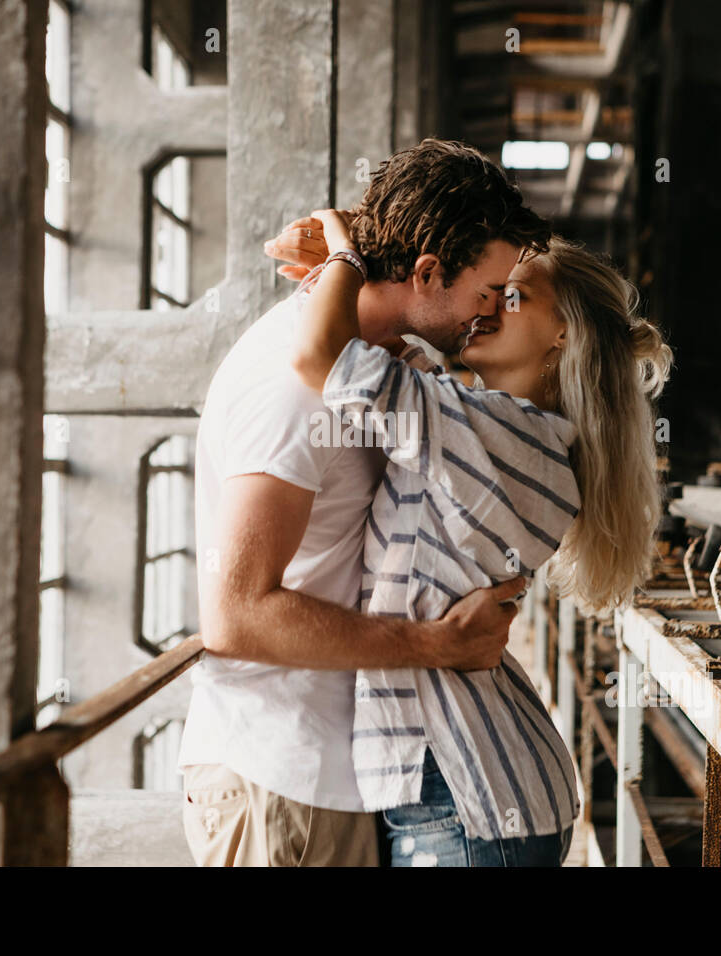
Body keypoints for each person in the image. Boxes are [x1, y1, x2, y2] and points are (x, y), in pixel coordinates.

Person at [177, 139, 552, 866]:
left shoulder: (378, 362)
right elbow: (236, 615)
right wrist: (439, 646)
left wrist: (350, 241)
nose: (492, 311)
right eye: (488, 291)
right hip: (280, 782)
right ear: (427, 273)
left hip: (329, 774)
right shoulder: (290, 391)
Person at [271, 208, 672, 866]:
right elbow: (387, 362)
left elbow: (324, 358)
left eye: (515, 294)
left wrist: (346, 250)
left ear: (563, 331)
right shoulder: (508, 429)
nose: (489, 304)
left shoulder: (503, 434)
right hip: (473, 795)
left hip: (466, 801)